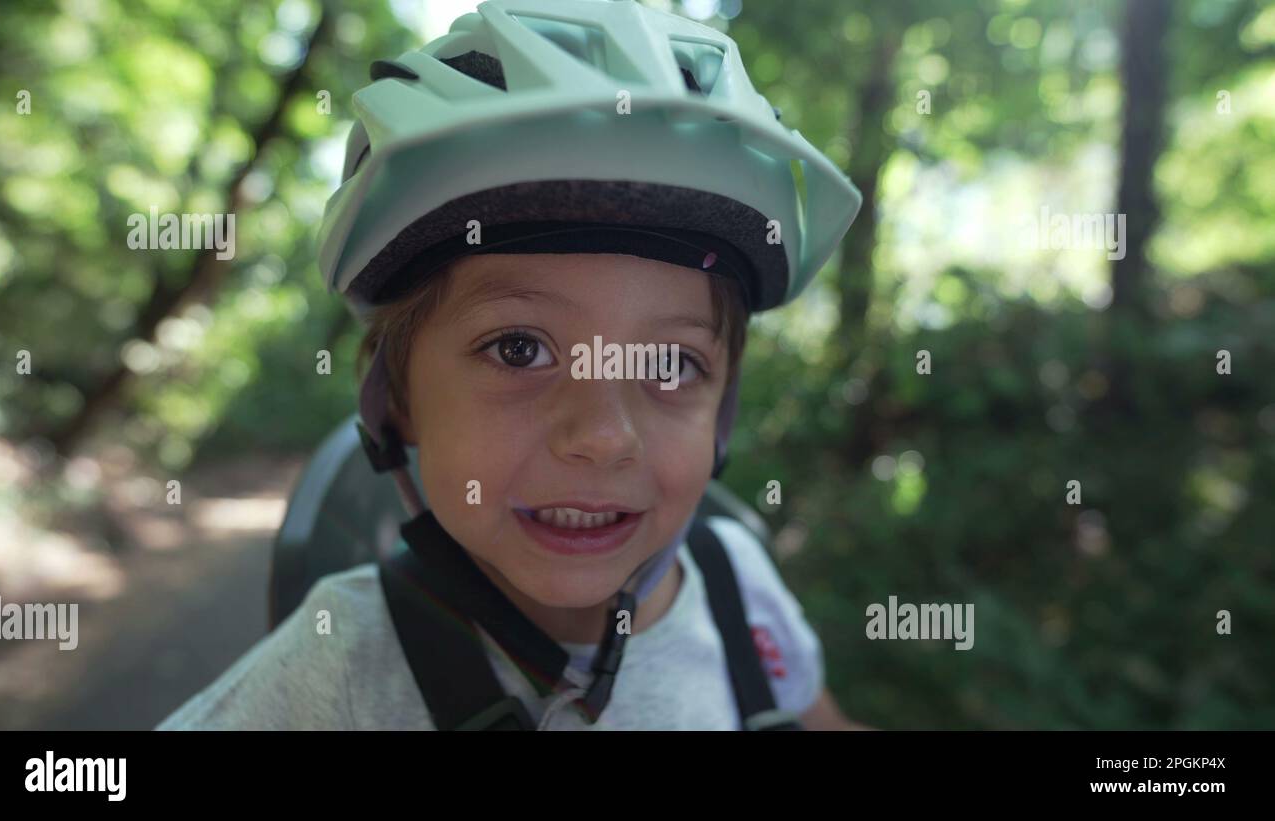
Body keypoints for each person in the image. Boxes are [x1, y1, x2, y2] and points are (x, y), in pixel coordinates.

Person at [158, 0, 863, 731]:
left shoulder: (736, 583)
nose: (604, 435)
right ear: (394, 394)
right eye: (519, 348)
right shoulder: (338, 672)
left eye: (670, 363)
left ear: (721, 410)